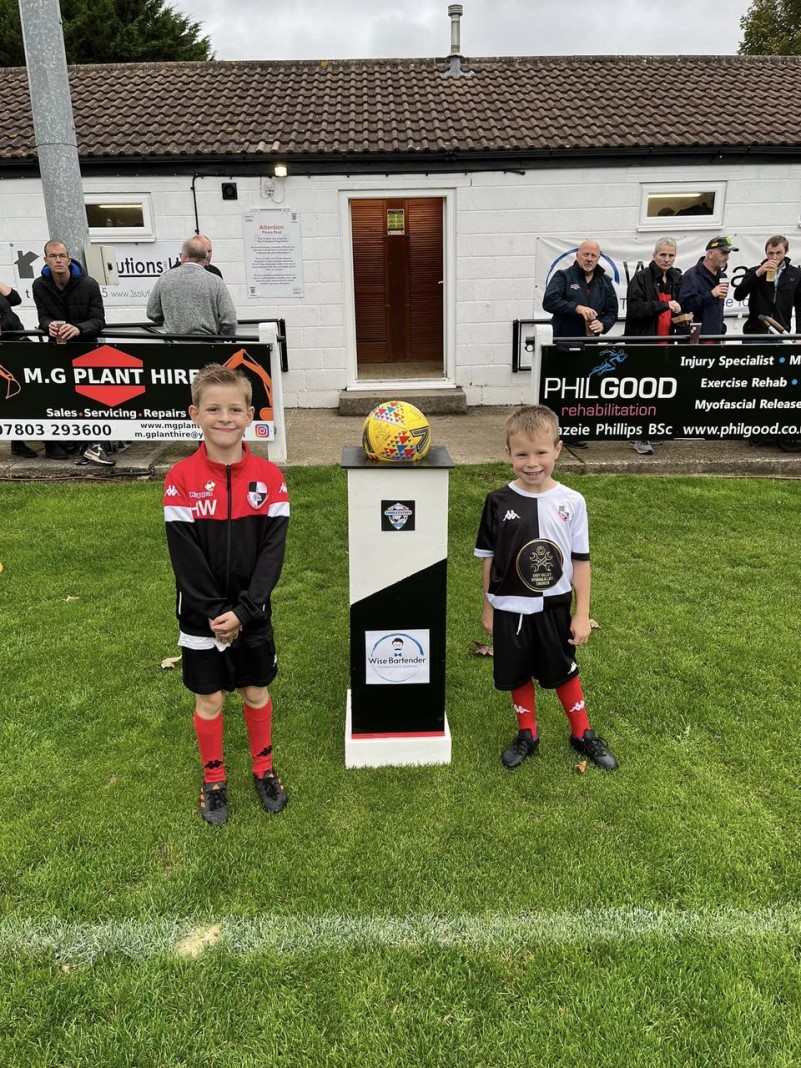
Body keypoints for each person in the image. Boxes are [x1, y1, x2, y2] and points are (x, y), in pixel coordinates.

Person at [163, 362, 290, 825]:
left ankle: (263, 769)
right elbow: (186, 559)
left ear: (250, 414)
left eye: (234, 408)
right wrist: (218, 612)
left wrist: (246, 609)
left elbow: (272, 554)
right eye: (213, 409)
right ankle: (214, 779)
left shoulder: (270, 478)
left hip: (252, 613)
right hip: (201, 617)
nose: (224, 417)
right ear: (195, 413)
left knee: (256, 692)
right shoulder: (179, 479)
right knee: (210, 699)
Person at [474, 405, 618, 774]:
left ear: (557, 449)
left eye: (540, 452)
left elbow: (580, 562)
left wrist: (581, 613)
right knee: (517, 673)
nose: (532, 462)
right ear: (508, 454)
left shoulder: (572, 501)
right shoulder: (497, 502)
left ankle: (582, 733)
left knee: (564, 670)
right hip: (509, 608)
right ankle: (528, 733)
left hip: (554, 607)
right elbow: (489, 559)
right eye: (522, 454)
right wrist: (489, 606)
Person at [32, 240, 113, 466]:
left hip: (87, 349)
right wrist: (48, 325)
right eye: (53, 256)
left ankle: (93, 444)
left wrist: (78, 328)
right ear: (45, 260)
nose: (58, 260)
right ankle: (64, 442)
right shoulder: (39, 285)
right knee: (60, 394)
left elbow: (99, 320)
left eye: (62, 256)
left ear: (69, 259)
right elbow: (42, 317)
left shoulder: (89, 284)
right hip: (57, 350)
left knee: (91, 396)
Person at [624, 237, 684, 455]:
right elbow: (635, 310)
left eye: (671, 255)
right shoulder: (641, 278)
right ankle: (639, 436)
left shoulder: (677, 278)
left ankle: (652, 429)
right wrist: (664, 305)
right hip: (644, 345)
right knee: (642, 392)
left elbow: (681, 306)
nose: (667, 259)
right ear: (654, 255)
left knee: (660, 391)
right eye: (663, 255)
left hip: (667, 344)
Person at [148, 236, 237, 337]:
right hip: (210, 346)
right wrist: (221, 337)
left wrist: (171, 321)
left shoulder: (165, 278)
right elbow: (229, 320)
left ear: (184, 256)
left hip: (174, 346)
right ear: (205, 258)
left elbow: (152, 312)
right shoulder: (216, 281)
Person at [542, 240, 619, 339]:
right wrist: (576, 308)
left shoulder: (606, 282)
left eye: (593, 255)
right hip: (563, 342)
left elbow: (612, 312)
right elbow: (549, 301)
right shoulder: (563, 276)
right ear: (577, 255)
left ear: (598, 259)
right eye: (586, 254)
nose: (589, 259)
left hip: (591, 343)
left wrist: (603, 325)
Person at [732, 234, 801, 336]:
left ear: (786, 252)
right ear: (765, 253)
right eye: (770, 253)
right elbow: (738, 295)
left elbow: (800, 306)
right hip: (755, 333)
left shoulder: (796, 274)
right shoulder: (754, 271)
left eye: (778, 253)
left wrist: (799, 334)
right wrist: (758, 273)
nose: (774, 257)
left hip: (781, 332)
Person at [0, 285, 37, 459]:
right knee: (9, 395)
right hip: (3, 349)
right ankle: (18, 442)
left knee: (25, 389)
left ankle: (19, 440)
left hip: (17, 341)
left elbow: (15, 299)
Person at [677, 235, 737, 341]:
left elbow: (718, 310)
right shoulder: (691, 276)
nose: (727, 257)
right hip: (696, 340)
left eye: (728, 253)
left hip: (716, 338)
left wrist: (722, 332)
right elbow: (684, 307)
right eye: (723, 253)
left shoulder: (722, 277)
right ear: (710, 254)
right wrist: (711, 294)